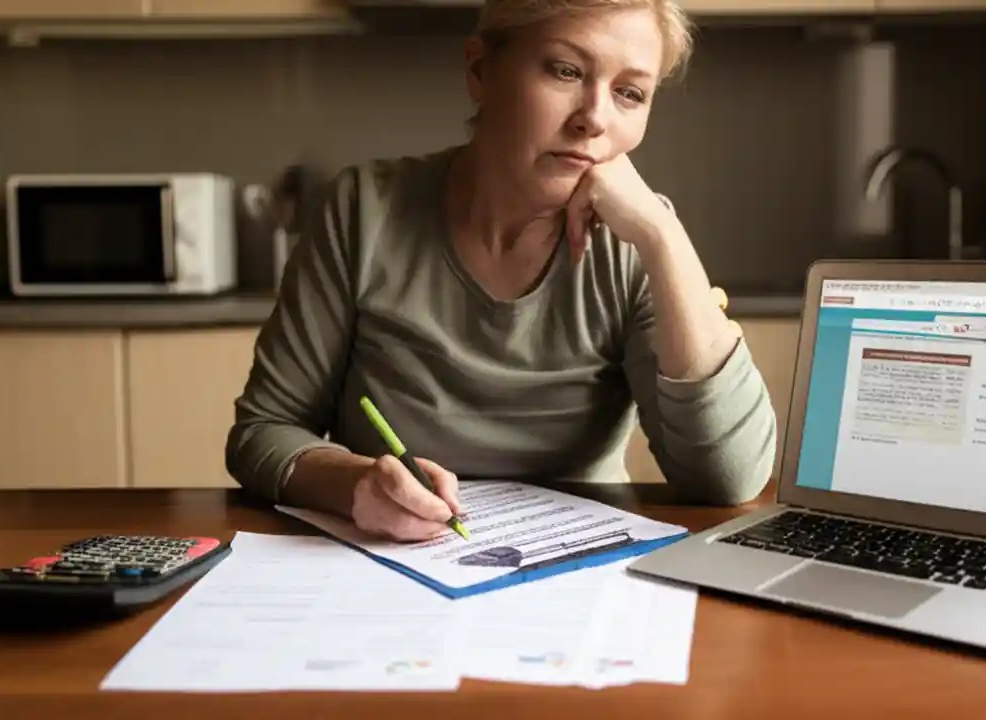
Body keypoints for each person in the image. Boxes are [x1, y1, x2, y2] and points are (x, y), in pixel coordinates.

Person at [225, 0, 777, 542]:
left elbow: (727, 479)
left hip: (582, 572)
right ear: (481, 70)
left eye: (629, 93)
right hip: (391, 565)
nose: (594, 118)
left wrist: (662, 235)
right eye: (566, 71)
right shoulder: (363, 209)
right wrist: (356, 486)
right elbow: (262, 432)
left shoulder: (634, 242)